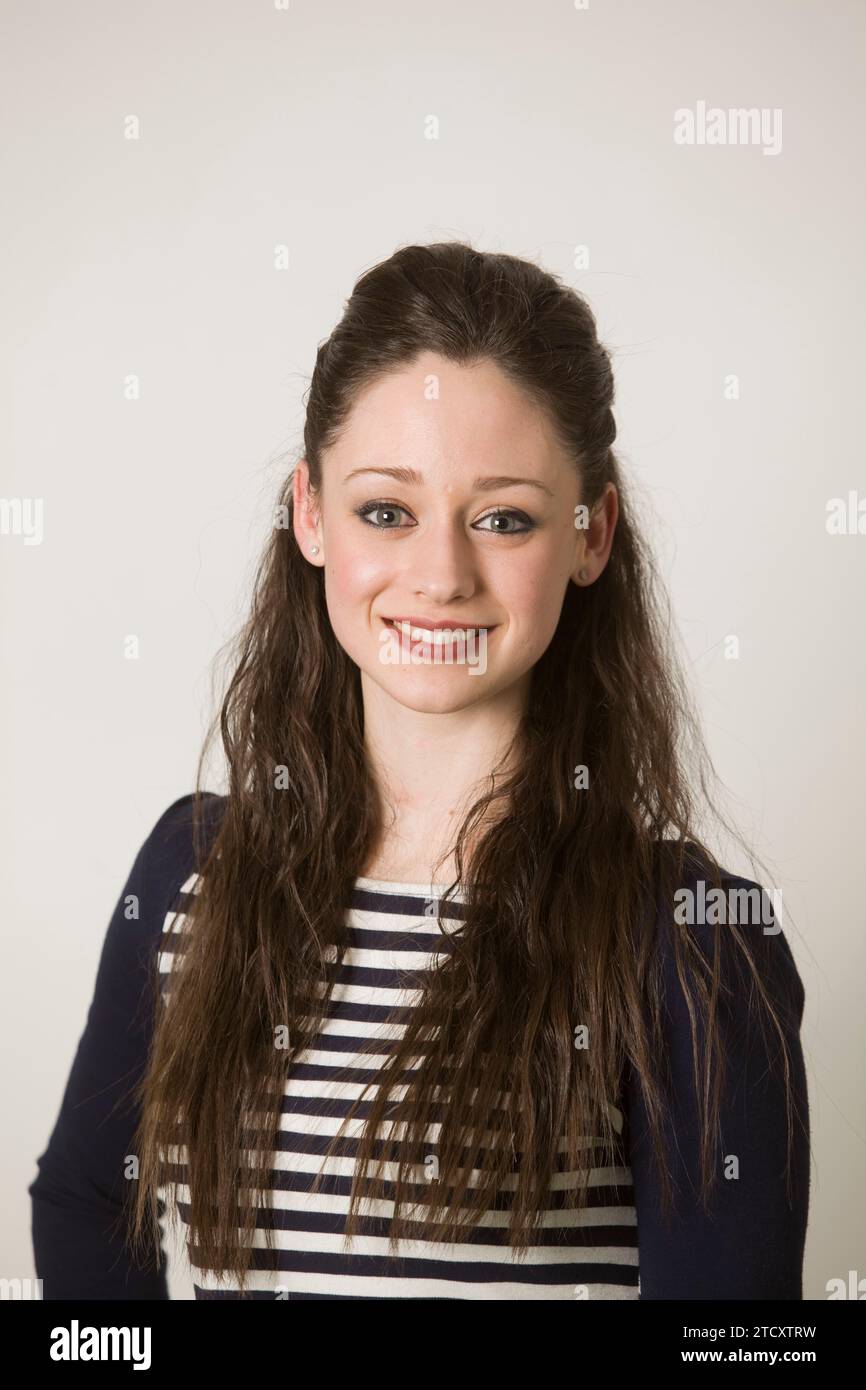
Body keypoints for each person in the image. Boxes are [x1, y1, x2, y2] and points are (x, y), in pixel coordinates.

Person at [29, 241, 810, 1299]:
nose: (439, 575)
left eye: (503, 518)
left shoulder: (688, 940)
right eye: (385, 510)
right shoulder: (188, 872)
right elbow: (85, 1199)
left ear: (591, 534)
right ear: (309, 514)